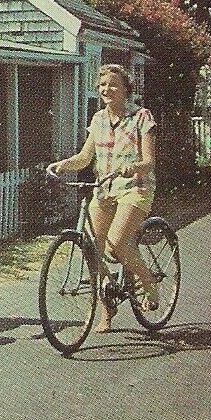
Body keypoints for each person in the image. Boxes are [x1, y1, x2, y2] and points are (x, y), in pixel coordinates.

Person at [48, 63, 158, 332]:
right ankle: (106, 310)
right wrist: (64, 164)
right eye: (102, 85)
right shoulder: (98, 120)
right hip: (105, 188)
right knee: (92, 249)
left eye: (113, 85)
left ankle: (148, 282)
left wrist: (134, 167)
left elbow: (150, 162)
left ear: (126, 90)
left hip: (135, 188)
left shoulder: (141, 117)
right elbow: (86, 157)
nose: (106, 89)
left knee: (118, 244)